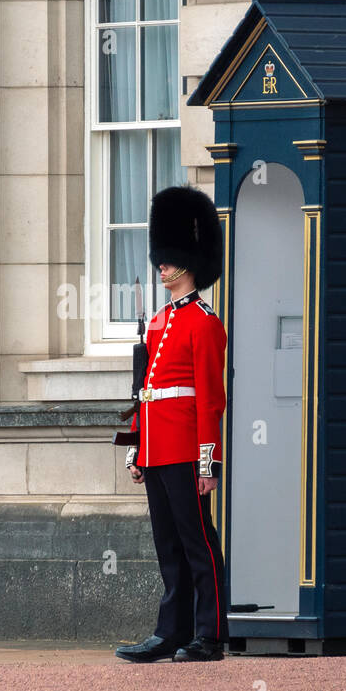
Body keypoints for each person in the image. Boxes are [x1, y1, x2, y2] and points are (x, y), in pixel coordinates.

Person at [114, 185, 229, 663]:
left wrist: (208, 462)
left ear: (188, 262)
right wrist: (136, 448)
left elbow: (211, 400)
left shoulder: (204, 323)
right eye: (160, 259)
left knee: (197, 544)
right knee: (168, 548)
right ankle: (171, 632)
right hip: (157, 448)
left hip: (185, 447)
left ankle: (211, 634)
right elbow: (147, 393)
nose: (161, 267)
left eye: (168, 260)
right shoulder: (159, 324)